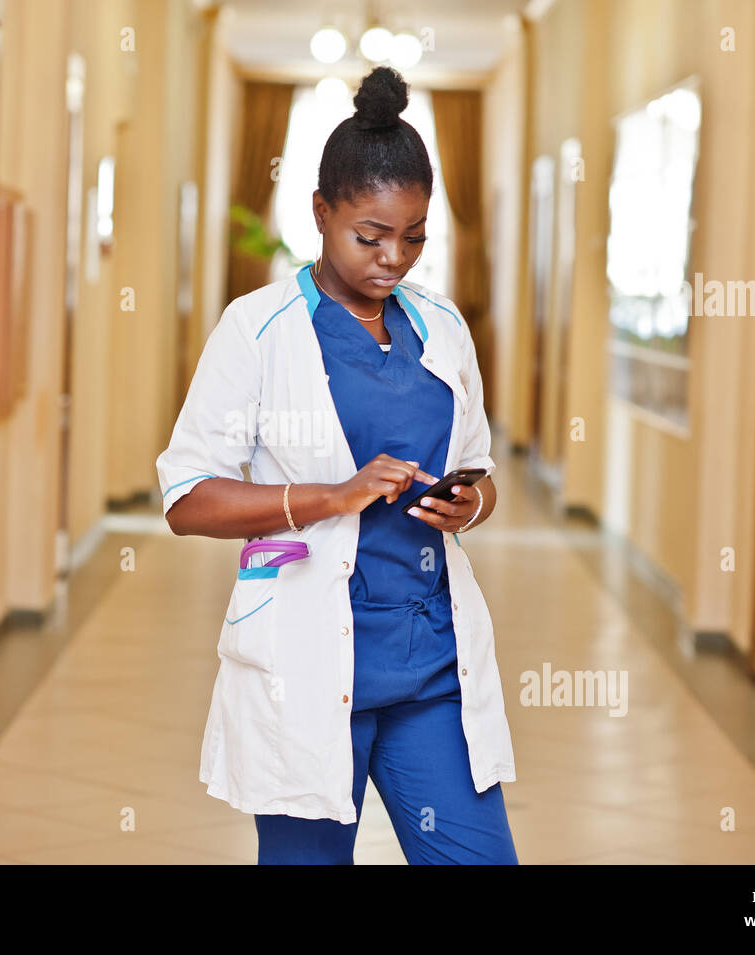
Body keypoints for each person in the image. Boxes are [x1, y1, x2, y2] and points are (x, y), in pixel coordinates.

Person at [155, 65, 517, 865]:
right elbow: (187, 498)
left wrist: (472, 504)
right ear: (321, 212)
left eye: (414, 237)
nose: (394, 258)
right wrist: (332, 496)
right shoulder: (257, 329)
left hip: (430, 665)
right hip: (306, 665)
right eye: (370, 235)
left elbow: (479, 468)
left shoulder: (442, 327)